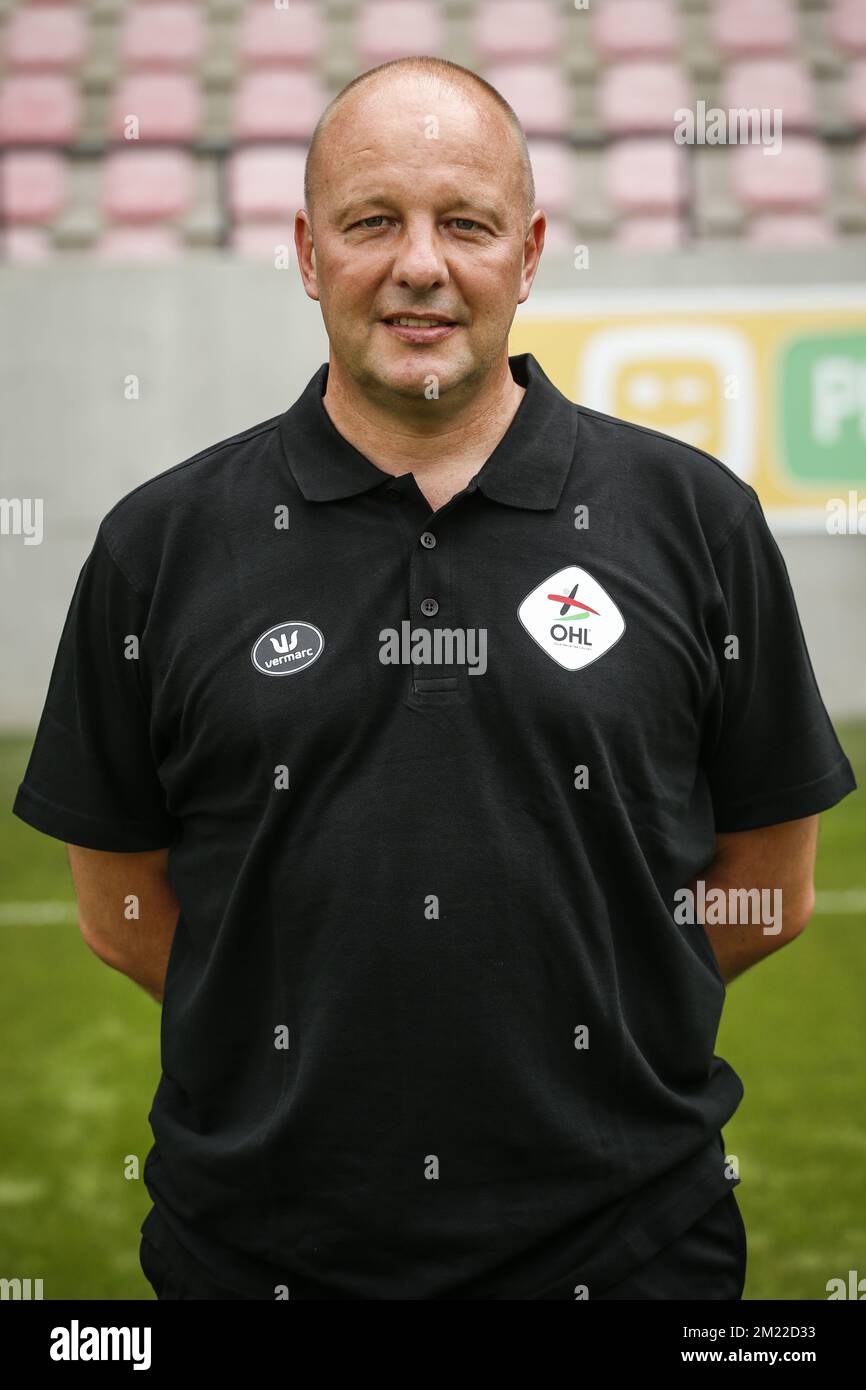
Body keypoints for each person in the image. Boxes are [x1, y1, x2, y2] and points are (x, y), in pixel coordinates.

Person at [13, 56, 856, 1301]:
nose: (419, 263)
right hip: (255, 1255)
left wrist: (597, 994)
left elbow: (768, 889)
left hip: (628, 1253)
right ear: (307, 253)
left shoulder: (693, 521)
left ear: (526, 254)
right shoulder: (163, 544)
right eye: (372, 222)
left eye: (464, 222)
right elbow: (118, 907)